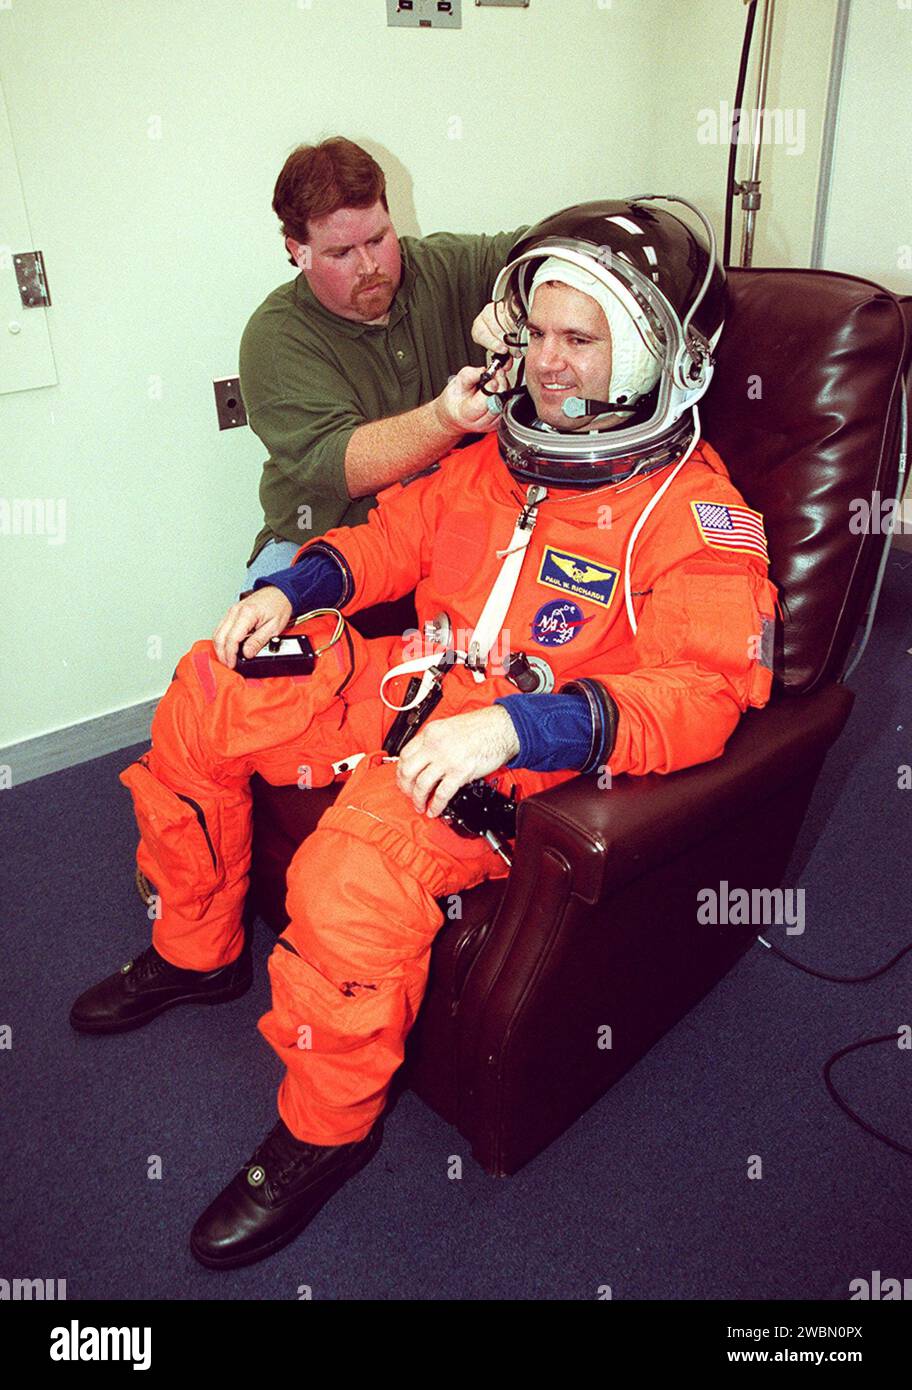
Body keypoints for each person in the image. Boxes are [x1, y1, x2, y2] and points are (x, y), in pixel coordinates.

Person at [70, 197, 779, 1270]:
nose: (545, 362)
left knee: (351, 875)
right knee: (214, 684)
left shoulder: (693, 517)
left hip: (517, 754)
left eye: (577, 339)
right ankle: (195, 950)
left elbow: (707, 691)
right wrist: (301, 588)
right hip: (409, 683)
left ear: (650, 355)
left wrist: (519, 726)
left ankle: (323, 1132)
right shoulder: (503, 455)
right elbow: (395, 532)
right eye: (535, 333)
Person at [241, 136, 524, 582]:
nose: (368, 265)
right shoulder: (276, 337)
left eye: (378, 239)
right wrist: (444, 420)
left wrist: (529, 293)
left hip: (445, 537)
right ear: (300, 253)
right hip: (319, 541)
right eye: (341, 253)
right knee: (262, 647)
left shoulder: (446, 266)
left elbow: (549, 245)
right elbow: (344, 464)